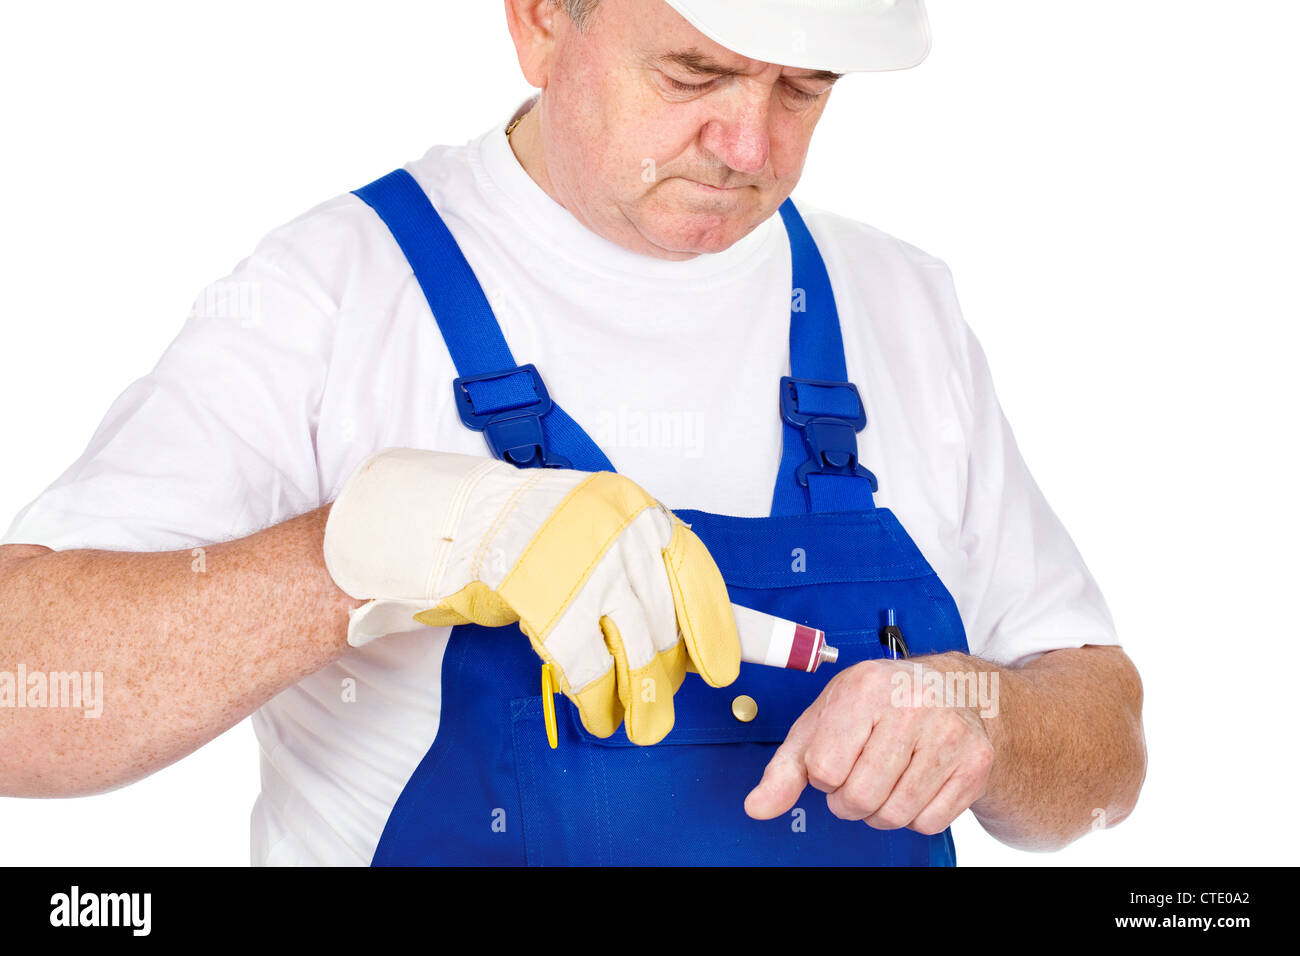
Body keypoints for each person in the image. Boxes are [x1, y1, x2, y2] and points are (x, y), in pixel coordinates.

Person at [0, 0, 1145, 865]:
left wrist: (983, 713)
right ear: (542, 18)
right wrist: (393, 540)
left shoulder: (896, 299)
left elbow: (1107, 742)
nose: (750, 148)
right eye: (694, 71)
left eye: (801, 89)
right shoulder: (336, 290)